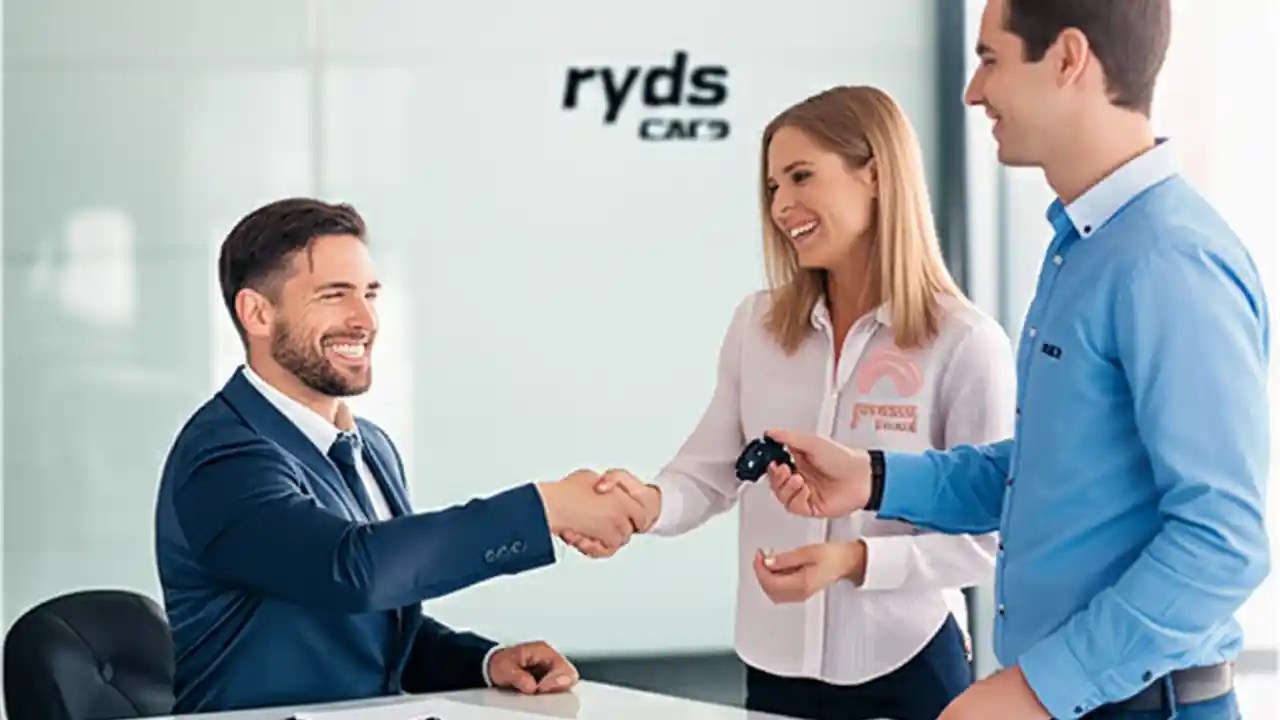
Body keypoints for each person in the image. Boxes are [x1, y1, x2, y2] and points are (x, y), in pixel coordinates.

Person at [765, 2, 1270, 719]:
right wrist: (874, 477)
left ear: (1068, 59)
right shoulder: (1086, 247)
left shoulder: (1169, 261)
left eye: (991, 59)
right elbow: (1048, 474)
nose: (974, 91)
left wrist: (1037, 690)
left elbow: (1222, 543)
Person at [564, 86, 1016, 720]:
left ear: (877, 175)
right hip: (773, 665)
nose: (781, 205)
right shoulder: (758, 324)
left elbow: (989, 535)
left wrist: (856, 561)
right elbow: (712, 471)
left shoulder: (965, 342)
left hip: (906, 664)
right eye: (773, 186)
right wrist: (648, 505)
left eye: (802, 176)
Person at [154, 198, 649, 713]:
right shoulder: (221, 456)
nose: (364, 319)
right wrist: (545, 508)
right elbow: (351, 571)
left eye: (370, 293)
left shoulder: (370, 447)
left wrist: (484, 662)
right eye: (333, 295)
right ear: (257, 312)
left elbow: (375, 627)